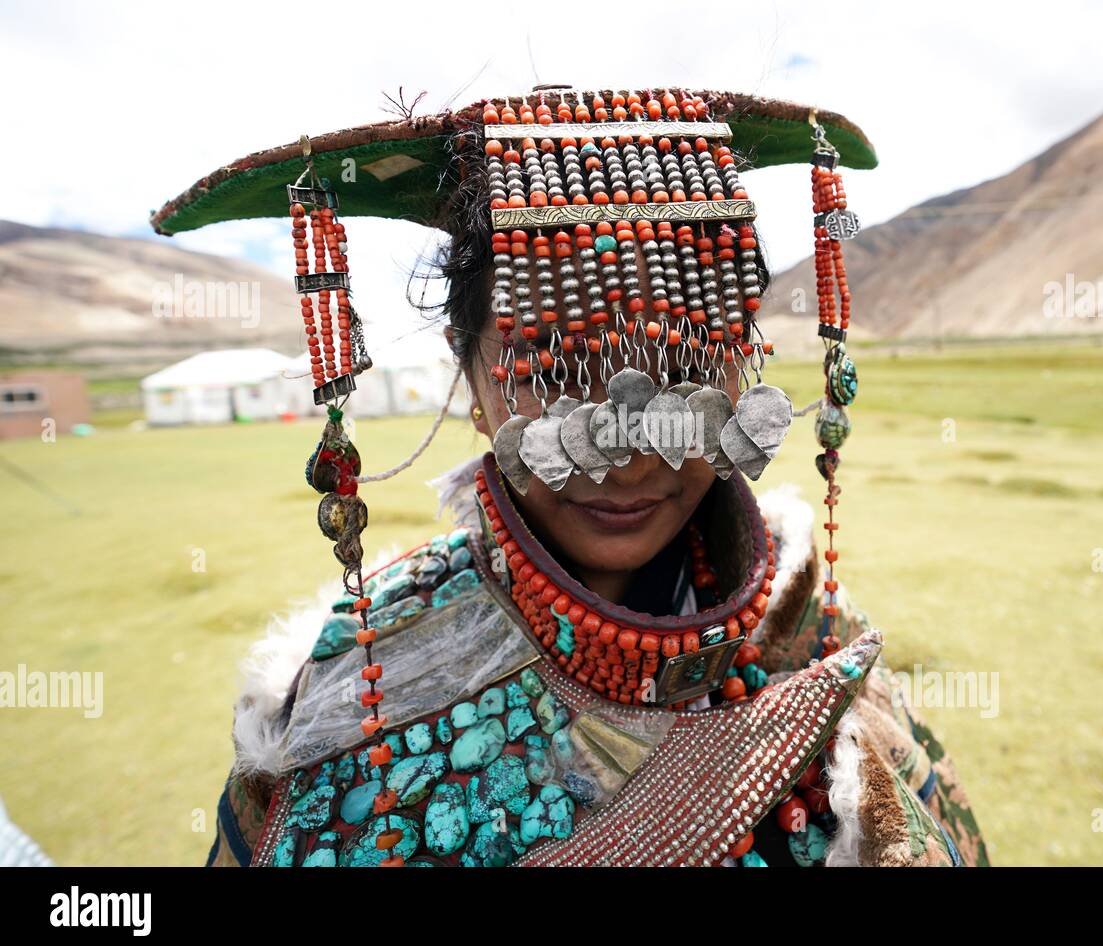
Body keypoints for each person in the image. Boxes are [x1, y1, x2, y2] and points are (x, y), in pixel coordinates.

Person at [152, 86, 988, 867]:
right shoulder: (348, 688)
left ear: (745, 362)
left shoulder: (813, 631)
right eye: (553, 369)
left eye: (686, 365)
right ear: (469, 376)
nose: (625, 453)